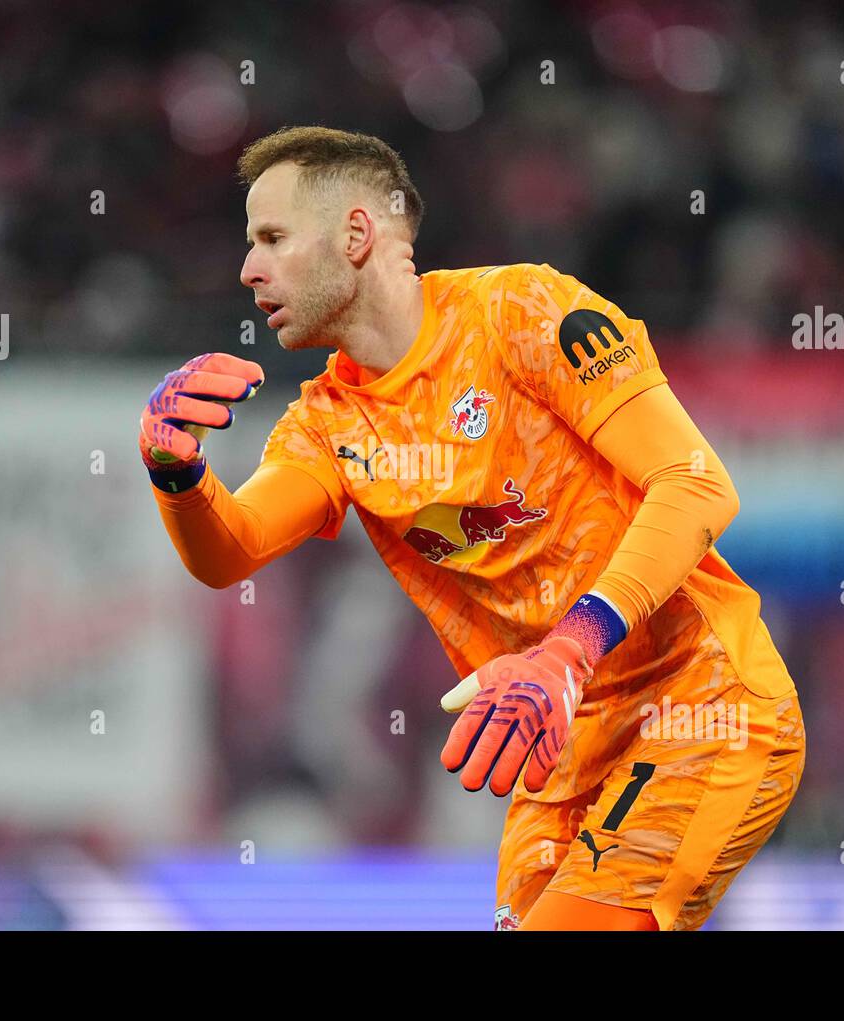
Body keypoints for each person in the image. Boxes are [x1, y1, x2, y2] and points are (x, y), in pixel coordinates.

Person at [139, 125, 805, 931]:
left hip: (700, 705)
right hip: (554, 760)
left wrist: (569, 649)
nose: (248, 269)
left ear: (356, 234)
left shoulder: (520, 313)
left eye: (272, 238)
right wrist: (177, 474)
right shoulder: (325, 425)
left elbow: (695, 485)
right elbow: (231, 549)